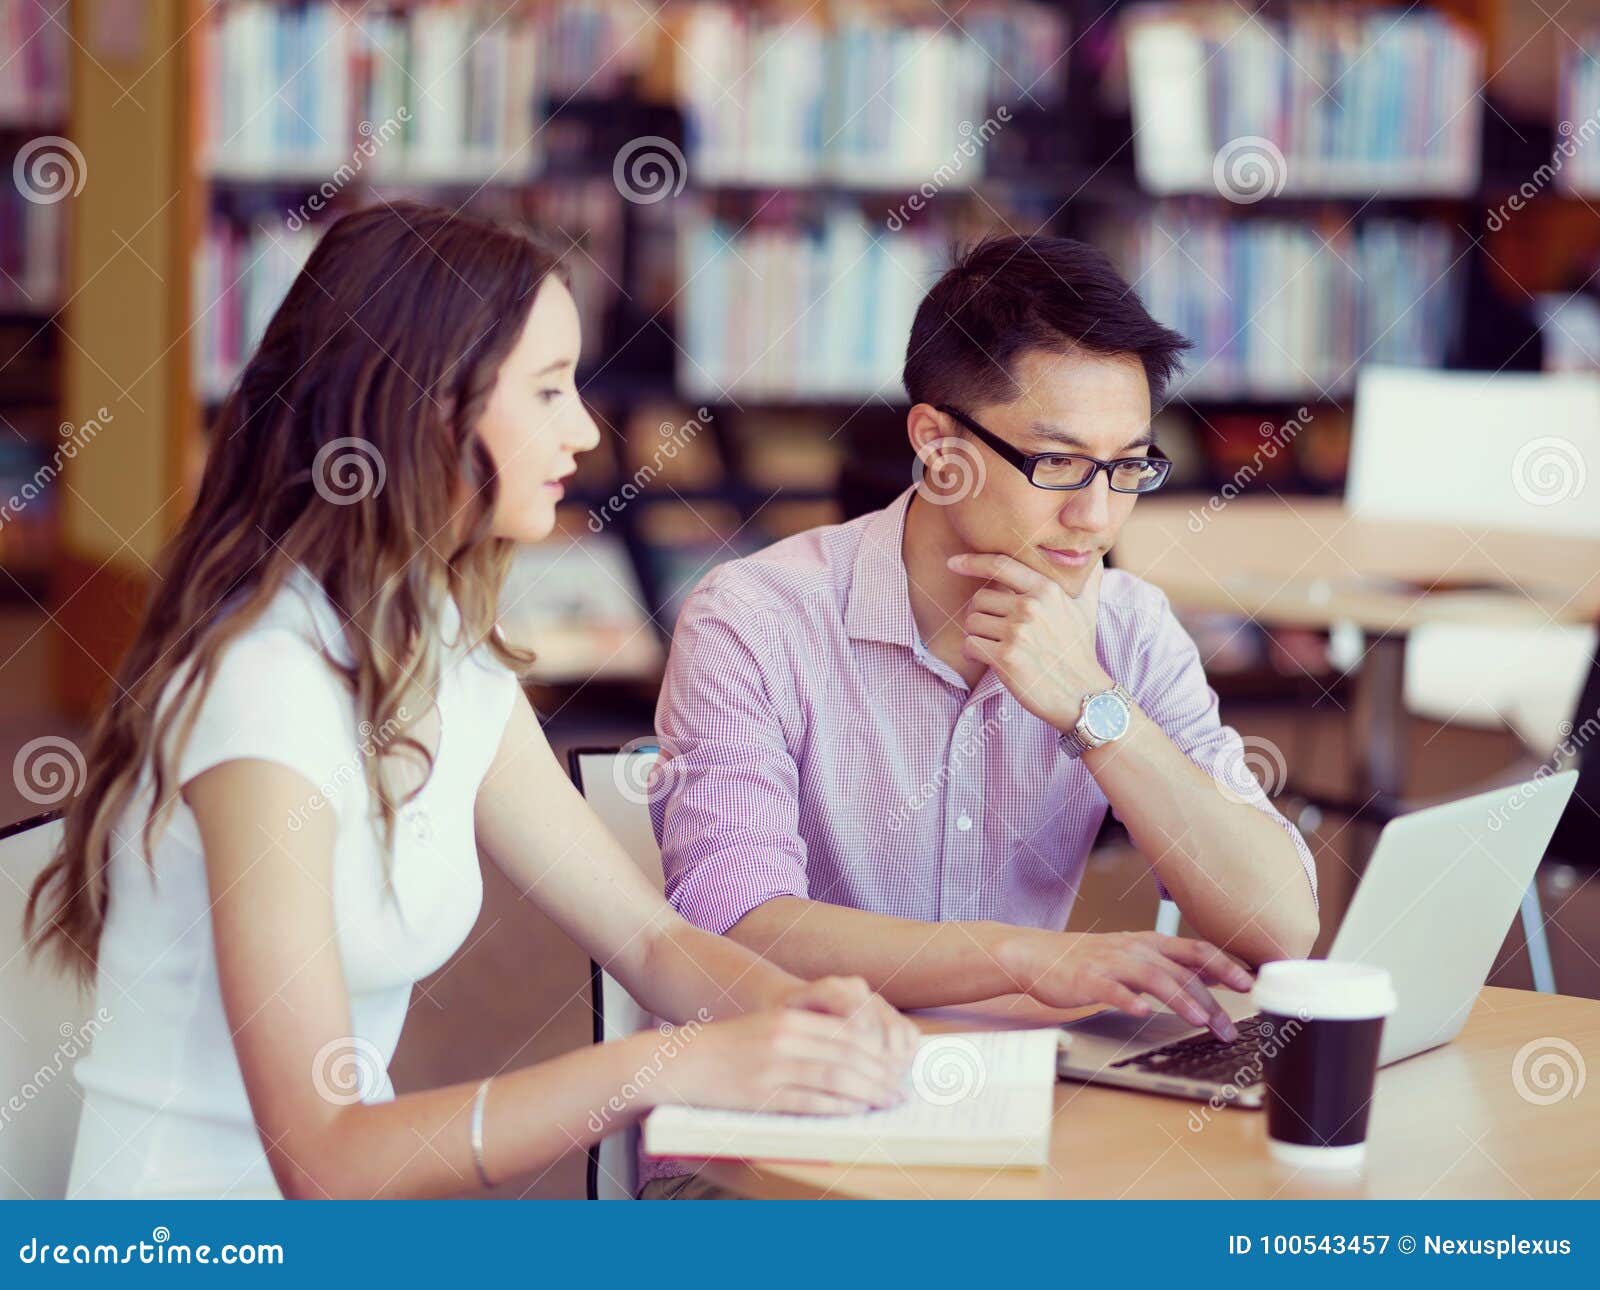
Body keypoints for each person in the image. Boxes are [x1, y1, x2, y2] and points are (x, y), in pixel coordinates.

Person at [25, 201, 916, 1201]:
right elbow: (323, 1158)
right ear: (425, 406)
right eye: (545, 391)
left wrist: (805, 1016)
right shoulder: (264, 696)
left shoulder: (439, 644)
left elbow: (646, 938)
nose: (583, 428)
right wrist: (657, 1069)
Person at [645, 233, 1323, 1196]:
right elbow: (739, 934)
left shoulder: (1126, 628)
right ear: (938, 445)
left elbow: (1279, 926)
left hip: (1014, 1122)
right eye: (1058, 464)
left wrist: (1097, 710)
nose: (1097, 517)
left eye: (1129, 466)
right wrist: (1029, 960)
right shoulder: (755, 618)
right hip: (774, 1141)